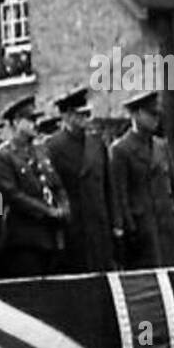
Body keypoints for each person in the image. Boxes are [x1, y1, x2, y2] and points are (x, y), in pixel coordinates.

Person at [0, 96, 70, 278]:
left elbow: (55, 183)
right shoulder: (4, 155)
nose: (35, 124)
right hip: (24, 237)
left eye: (36, 119)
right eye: (30, 120)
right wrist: (46, 210)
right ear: (16, 123)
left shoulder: (40, 150)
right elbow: (11, 194)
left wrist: (64, 205)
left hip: (50, 234)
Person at [109, 92, 174, 269]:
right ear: (136, 115)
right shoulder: (121, 150)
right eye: (151, 114)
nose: (156, 119)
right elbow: (119, 195)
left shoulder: (161, 146)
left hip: (168, 225)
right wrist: (127, 228)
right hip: (143, 229)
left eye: (157, 115)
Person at [45, 87, 116, 273]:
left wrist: (115, 223)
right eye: (80, 115)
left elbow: (109, 188)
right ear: (67, 117)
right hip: (74, 228)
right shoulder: (53, 147)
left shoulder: (96, 143)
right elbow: (51, 189)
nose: (86, 118)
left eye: (87, 114)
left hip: (99, 226)